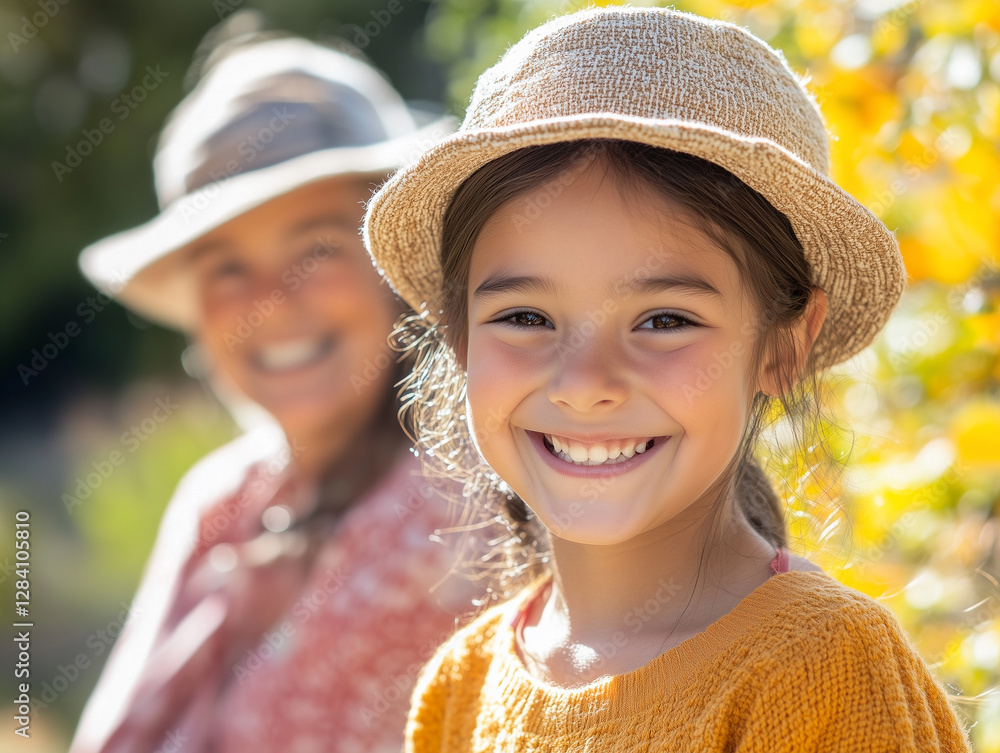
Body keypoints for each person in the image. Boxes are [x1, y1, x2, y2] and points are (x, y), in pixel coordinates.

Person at [362, 7, 975, 751]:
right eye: (525, 317)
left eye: (663, 321)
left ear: (784, 345)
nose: (585, 382)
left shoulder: (825, 671)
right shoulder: (460, 690)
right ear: (457, 337)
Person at [69, 28, 465, 753]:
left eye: (316, 248)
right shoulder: (220, 499)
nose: (269, 304)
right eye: (225, 268)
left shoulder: (467, 513)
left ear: (398, 271)